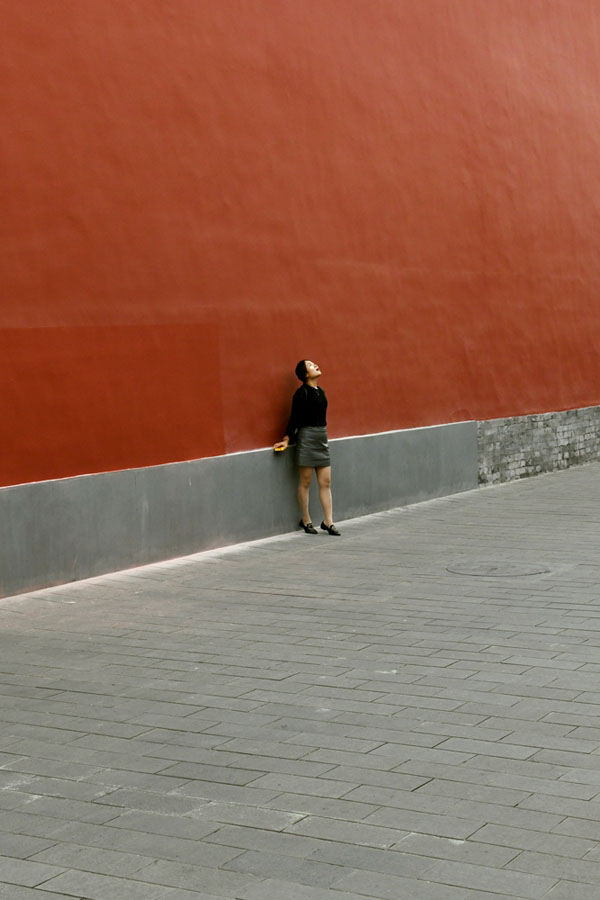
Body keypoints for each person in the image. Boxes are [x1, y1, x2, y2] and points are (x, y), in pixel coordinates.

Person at [273, 360, 341, 536]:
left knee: (326, 482)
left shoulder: (321, 392)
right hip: (307, 438)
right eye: (311, 365)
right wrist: (287, 439)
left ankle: (328, 521)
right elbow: (294, 418)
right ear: (305, 375)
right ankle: (306, 519)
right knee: (305, 482)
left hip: (321, 438)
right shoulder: (301, 394)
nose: (316, 365)